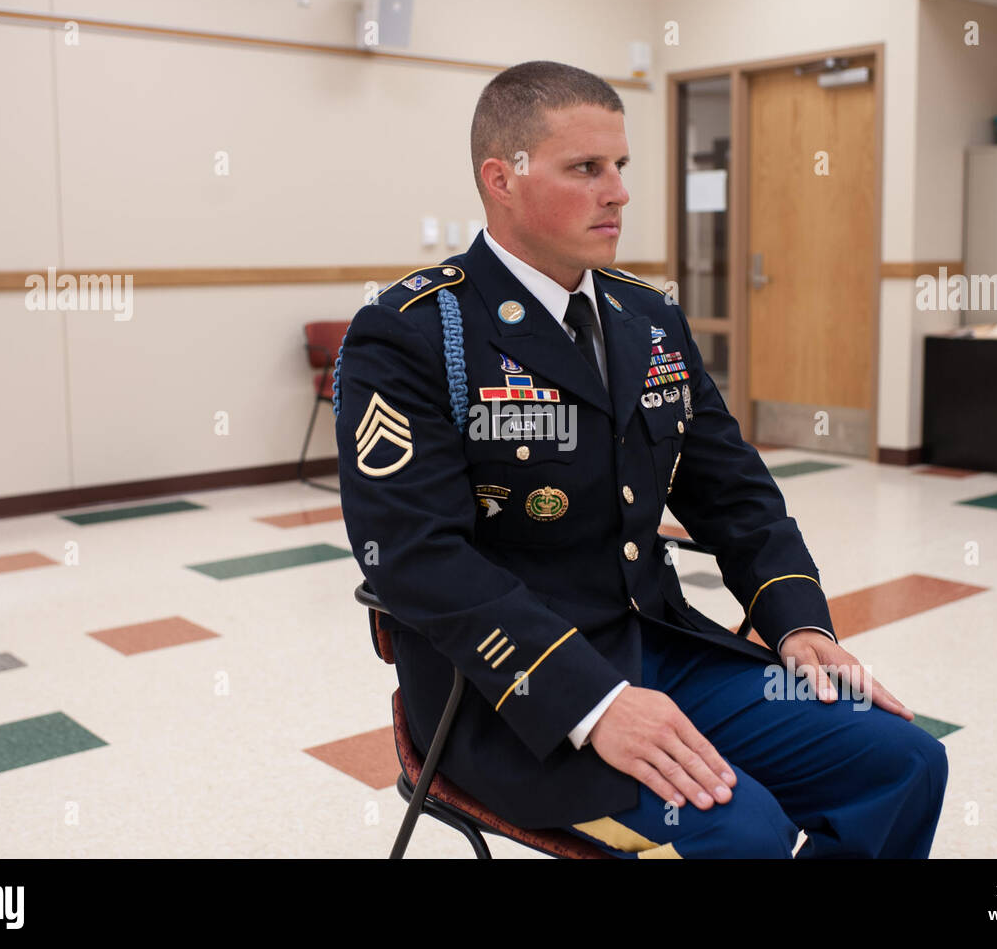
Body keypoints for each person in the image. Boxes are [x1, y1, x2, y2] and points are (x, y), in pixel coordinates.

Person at [332, 60, 947, 858]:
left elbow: (733, 490)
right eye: (586, 168)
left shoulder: (645, 316)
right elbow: (416, 559)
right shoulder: (412, 332)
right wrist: (592, 701)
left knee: (901, 762)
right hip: (511, 698)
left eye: (620, 167)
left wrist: (797, 621)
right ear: (502, 179)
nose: (618, 190)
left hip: (658, 647)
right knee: (745, 833)